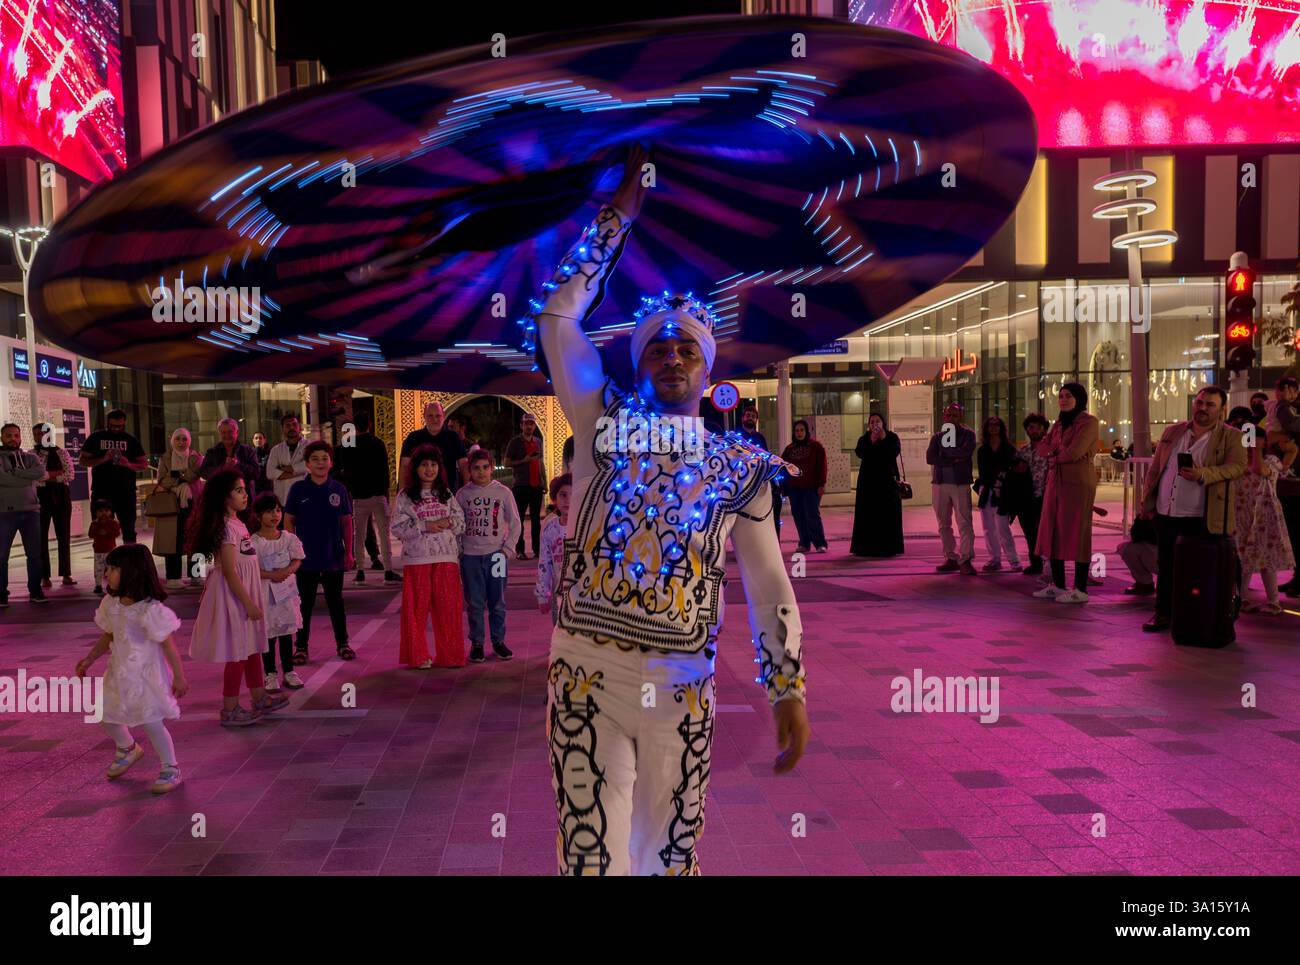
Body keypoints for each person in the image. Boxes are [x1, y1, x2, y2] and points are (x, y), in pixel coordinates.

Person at [534, 145, 808, 875]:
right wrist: (614, 224)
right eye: (657, 347)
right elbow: (559, 320)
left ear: (709, 366)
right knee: (592, 862)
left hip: (686, 683)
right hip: (586, 671)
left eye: (688, 346)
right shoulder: (600, 422)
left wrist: (786, 684)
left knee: (670, 859)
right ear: (636, 361)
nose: (673, 356)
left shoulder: (740, 465)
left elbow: (768, 581)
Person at [75, 544, 186, 794]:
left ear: (133, 572)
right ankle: (127, 747)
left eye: (114, 569)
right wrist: (89, 659)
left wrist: (178, 676)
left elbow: (168, 645)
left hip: (147, 676)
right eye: (108, 568)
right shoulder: (110, 604)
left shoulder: (150, 609)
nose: (107, 574)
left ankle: (171, 767)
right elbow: (108, 635)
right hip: (119, 672)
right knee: (106, 715)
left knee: (151, 722)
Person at [1139, 385, 1246, 633]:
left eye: (1210, 405)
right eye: (1199, 403)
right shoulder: (1174, 431)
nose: (1202, 408)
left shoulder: (1231, 436)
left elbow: (1238, 467)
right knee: (1166, 566)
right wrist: (1147, 502)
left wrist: (1202, 474)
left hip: (1202, 515)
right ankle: (1163, 612)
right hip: (1166, 512)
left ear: (1221, 409)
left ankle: (1196, 614)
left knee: (1198, 568)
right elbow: (1156, 469)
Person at [185, 469, 289, 725]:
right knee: (238, 652)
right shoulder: (226, 527)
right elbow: (230, 572)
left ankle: (260, 698)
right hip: (235, 598)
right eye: (239, 490)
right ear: (224, 497)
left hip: (243, 595)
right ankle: (229, 709)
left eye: (244, 489)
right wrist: (249, 603)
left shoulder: (238, 524)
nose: (245, 495)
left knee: (251, 648)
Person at [391, 444, 466, 668]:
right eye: (424, 465)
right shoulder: (406, 496)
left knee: (449, 609)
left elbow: (461, 523)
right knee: (416, 610)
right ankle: (418, 656)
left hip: (446, 558)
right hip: (418, 559)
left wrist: (449, 522)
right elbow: (397, 528)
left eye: (433, 464)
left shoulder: (446, 494)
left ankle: (451, 655)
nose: (429, 469)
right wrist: (424, 525)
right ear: (415, 468)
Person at [285, 440, 356, 663]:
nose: (320, 463)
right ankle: (301, 647)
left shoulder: (339, 489)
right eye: (314, 459)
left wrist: (349, 552)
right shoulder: (298, 489)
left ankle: (343, 644)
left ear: (331, 463)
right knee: (304, 604)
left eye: (324, 458)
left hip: (333, 555)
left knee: (336, 602)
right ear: (306, 464)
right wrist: (292, 550)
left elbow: (346, 523)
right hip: (305, 559)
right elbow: (289, 521)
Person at [1032, 384, 1100, 604]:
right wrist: (1055, 453)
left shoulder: (1089, 422)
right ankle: (1059, 585)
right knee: (1053, 531)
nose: (1063, 399)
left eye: (1068, 396)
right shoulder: (1060, 423)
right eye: (1060, 396)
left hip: (1078, 485)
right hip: (1055, 483)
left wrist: (1053, 453)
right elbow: (1041, 447)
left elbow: (1075, 452)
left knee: (1078, 532)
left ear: (1079, 398)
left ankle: (1080, 588)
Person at [455, 449, 521, 663]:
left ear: (492, 468)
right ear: (469, 470)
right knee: (474, 603)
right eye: (476, 468)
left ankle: (498, 641)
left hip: (497, 556)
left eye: (485, 467)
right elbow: (456, 526)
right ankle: (477, 643)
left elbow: (515, 523)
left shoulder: (503, 492)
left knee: (498, 601)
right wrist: (460, 552)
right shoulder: (462, 495)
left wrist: (507, 550)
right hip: (471, 557)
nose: (481, 472)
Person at [1234, 429, 1295, 615]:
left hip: (1265, 513)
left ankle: (1273, 601)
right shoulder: (1237, 462)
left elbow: (1259, 470)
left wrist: (1257, 451)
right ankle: (1242, 598)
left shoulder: (1271, 461)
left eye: (1257, 439)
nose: (1253, 442)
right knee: (1242, 555)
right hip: (1242, 513)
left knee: (1266, 557)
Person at [334, 411, 399, 584]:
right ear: (369, 424)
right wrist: (386, 493)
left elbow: (344, 471)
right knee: (384, 535)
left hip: (358, 496)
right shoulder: (377, 443)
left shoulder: (349, 445)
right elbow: (385, 472)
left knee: (359, 535)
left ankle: (361, 571)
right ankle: (388, 570)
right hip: (377, 495)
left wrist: (351, 489)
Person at [251, 493, 306, 690]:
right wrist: (270, 575)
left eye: (277, 510)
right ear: (258, 516)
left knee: (285, 633)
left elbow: (298, 558)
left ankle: (289, 671)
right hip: (265, 593)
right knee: (268, 633)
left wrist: (286, 571)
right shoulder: (253, 542)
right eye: (269, 511)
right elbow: (251, 569)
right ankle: (270, 674)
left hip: (286, 592)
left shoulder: (289, 538)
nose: (275, 515)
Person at [0, 423, 52, 606]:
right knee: (1, 556)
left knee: (35, 555)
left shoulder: (30, 457)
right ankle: (1, 594)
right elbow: (2, 478)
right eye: (8, 435)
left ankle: (36, 591)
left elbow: (41, 473)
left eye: (16, 435)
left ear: (20, 437)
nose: (12, 439)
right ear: (1, 438)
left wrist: (15, 474)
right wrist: (25, 478)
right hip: (4, 513)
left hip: (31, 512)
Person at [80, 409, 148, 544]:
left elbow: (143, 464)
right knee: (101, 530)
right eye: (113, 426)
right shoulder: (96, 437)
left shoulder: (130, 440)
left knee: (129, 530)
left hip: (125, 491)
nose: (116, 429)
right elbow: (82, 461)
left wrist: (127, 464)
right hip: (102, 491)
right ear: (107, 423)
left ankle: (128, 561)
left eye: (120, 426)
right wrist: (103, 459)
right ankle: (104, 563)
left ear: (125, 423)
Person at [926, 401, 977, 574]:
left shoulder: (969, 435)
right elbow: (930, 458)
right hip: (940, 485)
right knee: (943, 523)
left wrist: (945, 454)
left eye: (955, 415)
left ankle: (966, 559)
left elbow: (965, 452)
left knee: (965, 522)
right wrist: (952, 459)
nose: (951, 418)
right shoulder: (937, 436)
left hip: (960, 484)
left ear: (961, 416)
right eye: (948, 415)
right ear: (944, 416)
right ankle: (950, 557)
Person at [153, 428, 203, 589]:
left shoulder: (196, 456)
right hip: (172, 504)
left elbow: (194, 475)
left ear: (189, 440)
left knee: (196, 539)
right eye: (178, 439)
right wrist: (183, 476)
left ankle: (197, 575)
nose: (181, 442)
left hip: (194, 503)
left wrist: (174, 475)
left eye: (184, 439)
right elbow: (162, 480)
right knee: (171, 540)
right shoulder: (166, 457)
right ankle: (173, 577)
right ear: (172, 440)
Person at [850, 413, 903, 557]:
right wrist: (872, 441)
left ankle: (888, 547)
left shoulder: (892, 437)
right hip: (868, 483)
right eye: (872, 422)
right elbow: (860, 452)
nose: (875, 424)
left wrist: (883, 439)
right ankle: (865, 547)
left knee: (887, 513)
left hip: (887, 482)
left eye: (878, 421)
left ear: (883, 423)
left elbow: (894, 452)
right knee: (868, 514)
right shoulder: (864, 438)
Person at [1003, 414, 1049, 576]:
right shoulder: (1022, 451)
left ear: (1044, 428)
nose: (1033, 430)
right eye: (1030, 427)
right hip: (1027, 498)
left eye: (1037, 427)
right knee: (1030, 532)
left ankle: (1051, 565)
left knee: (1048, 532)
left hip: (1046, 496)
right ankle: (1035, 563)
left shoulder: (1052, 449)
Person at [32, 423, 75, 588]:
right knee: (41, 537)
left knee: (64, 536)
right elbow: (34, 477)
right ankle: (45, 576)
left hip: (62, 496)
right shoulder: (31, 454)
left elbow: (69, 474)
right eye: (35, 434)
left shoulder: (61, 451)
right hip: (40, 498)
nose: (37, 437)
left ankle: (66, 573)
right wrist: (55, 474)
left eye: (40, 433)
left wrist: (46, 476)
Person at [974, 415, 1020, 572]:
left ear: (1001, 428)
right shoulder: (982, 450)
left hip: (1003, 492)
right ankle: (994, 559)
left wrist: (1001, 484)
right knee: (988, 528)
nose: (993, 428)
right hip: (986, 490)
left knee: (1002, 527)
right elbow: (982, 472)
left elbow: (1012, 471)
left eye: (996, 425)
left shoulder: (1009, 449)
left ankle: (1014, 560)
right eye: (990, 425)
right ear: (986, 429)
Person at [781, 419, 829, 553]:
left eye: (802, 430)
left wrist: (821, 484)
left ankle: (820, 543)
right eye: (797, 430)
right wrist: (783, 487)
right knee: (798, 516)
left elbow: (822, 466)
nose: (799, 433)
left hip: (811, 488)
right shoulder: (789, 449)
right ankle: (804, 543)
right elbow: (783, 467)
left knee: (812, 515)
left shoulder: (816, 447)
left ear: (806, 431)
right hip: (794, 489)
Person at [400, 402, 467, 492]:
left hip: (447, 494)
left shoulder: (453, 438)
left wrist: (468, 490)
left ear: (443, 416)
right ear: (424, 416)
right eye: (430, 416)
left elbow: (463, 465)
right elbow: (405, 466)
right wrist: (401, 492)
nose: (434, 419)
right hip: (418, 494)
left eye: (438, 416)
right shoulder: (413, 438)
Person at [505, 413, 546, 559]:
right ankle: (520, 550)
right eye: (526, 423)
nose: (529, 426)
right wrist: (524, 460)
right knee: (519, 519)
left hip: (536, 486)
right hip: (521, 485)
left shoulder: (538, 442)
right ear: (521, 425)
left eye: (531, 423)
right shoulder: (515, 442)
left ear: (534, 426)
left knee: (536, 521)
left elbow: (540, 463)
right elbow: (507, 463)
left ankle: (537, 550)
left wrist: (544, 482)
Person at [534, 473, 572, 623]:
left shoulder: (586, 528)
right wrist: (542, 594)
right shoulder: (550, 529)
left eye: (572, 495)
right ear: (555, 498)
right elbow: (545, 563)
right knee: (559, 637)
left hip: (584, 597)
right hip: (560, 595)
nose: (568, 500)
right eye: (563, 495)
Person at [738, 406, 782, 536]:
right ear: (743, 418)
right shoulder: (737, 437)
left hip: (760, 481)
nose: (750, 418)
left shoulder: (760, 437)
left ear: (756, 419)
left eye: (753, 416)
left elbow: (766, 457)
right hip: (744, 482)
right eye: (748, 415)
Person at [198, 417, 261, 494]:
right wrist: (222, 468)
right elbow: (203, 472)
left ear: (237, 432)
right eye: (223, 432)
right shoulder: (212, 452)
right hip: (220, 497)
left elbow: (256, 473)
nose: (227, 435)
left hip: (245, 498)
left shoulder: (248, 451)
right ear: (219, 433)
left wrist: (237, 464)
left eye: (230, 432)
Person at [267, 414, 309, 507]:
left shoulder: (309, 446)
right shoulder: (276, 449)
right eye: (287, 425)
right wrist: (300, 471)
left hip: (305, 499)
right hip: (282, 501)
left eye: (294, 424)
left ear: (300, 427)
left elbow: (310, 466)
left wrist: (284, 468)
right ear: (282, 428)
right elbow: (270, 473)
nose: (291, 427)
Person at [1262, 376, 1300, 476]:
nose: (1292, 395)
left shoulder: (1276, 405)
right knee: (1293, 449)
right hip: (1278, 436)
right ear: (1278, 392)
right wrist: (1283, 401)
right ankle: (1285, 468)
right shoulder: (1282, 407)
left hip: (1275, 436)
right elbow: (1290, 423)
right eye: (1289, 391)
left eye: (1295, 392)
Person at [1117, 515, 1159, 596]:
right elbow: (1136, 536)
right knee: (1127, 548)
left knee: (1130, 549)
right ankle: (1144, 583)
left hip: (1170, 555)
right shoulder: (1145, 517)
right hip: (1155, 553)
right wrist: (1142, 518)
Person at [88, 500, 121, 596]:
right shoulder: (94, 524)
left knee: (111, 569)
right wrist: (97, 532)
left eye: (106, 510)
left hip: (110, 550)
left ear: (110, 512)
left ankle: (113, 585)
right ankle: (98, 585)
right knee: (98, 569)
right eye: (100, 511)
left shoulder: (113, 523)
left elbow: (117, 533)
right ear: (96, 513)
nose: (103, 513)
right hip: (98, 551)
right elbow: (90, 534)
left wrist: (107, 532)